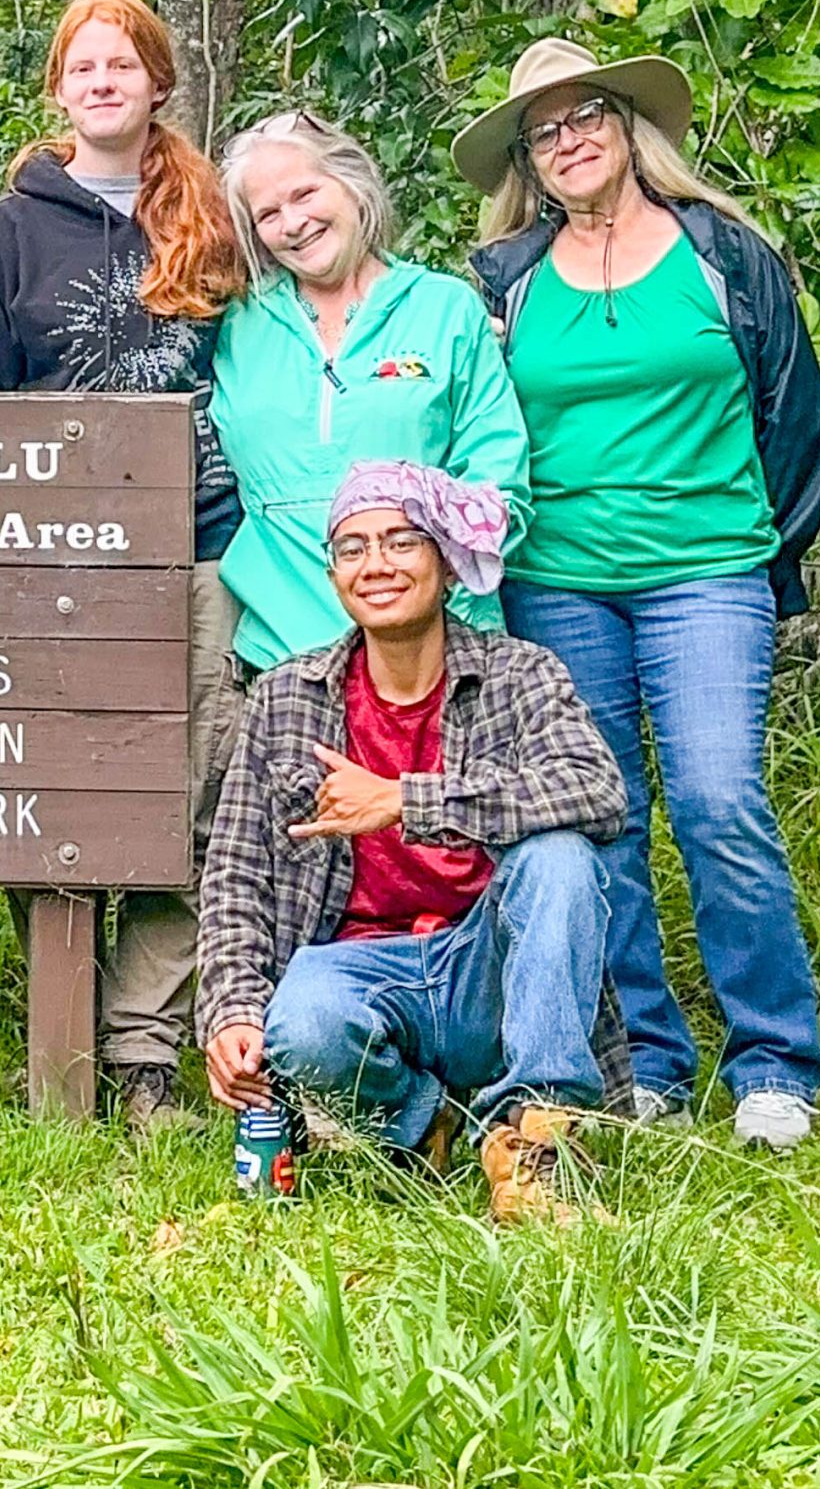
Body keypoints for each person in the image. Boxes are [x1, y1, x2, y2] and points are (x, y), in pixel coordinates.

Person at [456, 37, 820, 1151]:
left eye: (586, 118)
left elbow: (795, 421)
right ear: (528, 160)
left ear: (627, 127)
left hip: (709, 571)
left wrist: (764, 553)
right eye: (544, 130)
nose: (568, 140)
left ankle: (772, 1059)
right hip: (558, 582)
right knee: (599, 818)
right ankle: (647, 1060)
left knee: (720, 798)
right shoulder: (504, 282)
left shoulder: (725, 253)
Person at [0, 0, 249, 1132]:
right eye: (84, 67)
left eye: (125, 64)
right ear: (59, 89)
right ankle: (63, 1024)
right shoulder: (6, 230)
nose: (105, 82)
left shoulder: (213, 215)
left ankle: (144, 1048)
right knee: (50, 792)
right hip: (51, 563)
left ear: (160, 82)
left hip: (202, 549)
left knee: (201, 790)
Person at [195, 463, 626, 1224]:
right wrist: (231, 1010)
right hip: (362, 971)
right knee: (302, 1026)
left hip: (485, 962)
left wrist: (404, 801)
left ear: (445, 562)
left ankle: (539, 1139)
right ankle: (425, 1121)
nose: (377, 565)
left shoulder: (518, 677)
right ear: (332, 578)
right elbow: (235, 874)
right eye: (353, 548)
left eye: (400, 541)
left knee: (561, 857)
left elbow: (597, 791)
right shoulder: (287, 697)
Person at [212, 112, 531, 673]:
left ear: (352, 183)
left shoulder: (445, 307)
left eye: (305, 193)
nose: (293, 222)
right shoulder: (235, 323)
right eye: (267, 214)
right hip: (284, 661)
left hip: (436, 652)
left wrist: (422, 593)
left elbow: (499, 482)